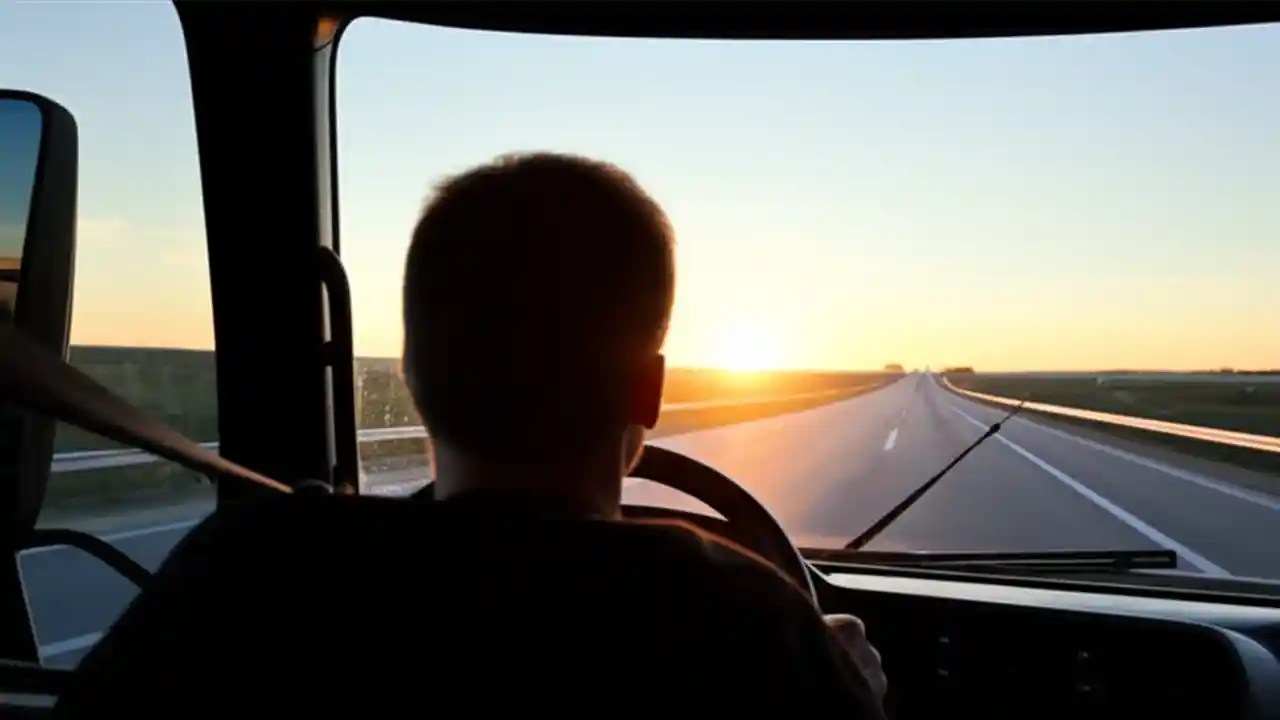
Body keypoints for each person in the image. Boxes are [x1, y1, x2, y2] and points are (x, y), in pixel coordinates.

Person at [402, 151, 888, 709]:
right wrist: (850, 686)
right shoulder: (757, 630)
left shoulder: (313, 571)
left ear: (410, 373)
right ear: (647, 390)